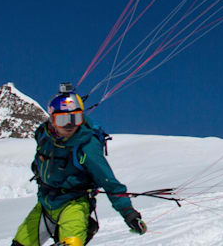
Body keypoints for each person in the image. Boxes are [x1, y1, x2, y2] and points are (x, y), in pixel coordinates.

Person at [12, 85, 147, 246]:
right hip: (46, 202)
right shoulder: (43, 135)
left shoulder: (87, 147)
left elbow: (109, 182)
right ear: (51, 119)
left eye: (75, 118)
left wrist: (129, 214)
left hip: (74, 204)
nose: (69, 126)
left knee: (71, 244)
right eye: (62, 120)